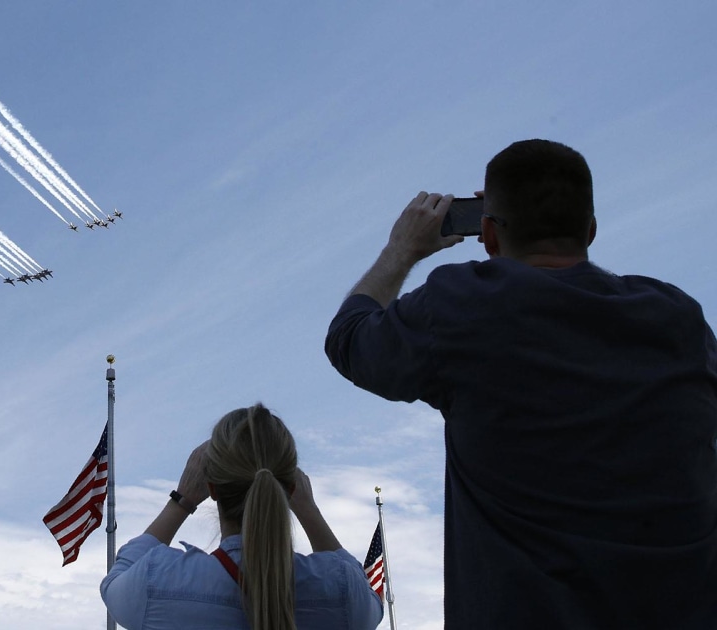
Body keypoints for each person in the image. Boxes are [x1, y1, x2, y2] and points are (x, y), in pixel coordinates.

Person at [325, 139, 717, 628]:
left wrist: (402, 249)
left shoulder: (463, 305)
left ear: (488, 234)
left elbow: (349, 339)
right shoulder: (679, 320)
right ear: (590, 230)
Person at [100, 404, 383, 630]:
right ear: (291, 488)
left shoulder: (159, 581)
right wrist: (309, 510)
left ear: (211, 488)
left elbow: (115, 581)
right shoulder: (340, 590)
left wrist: (182, 500)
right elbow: (365, 594)